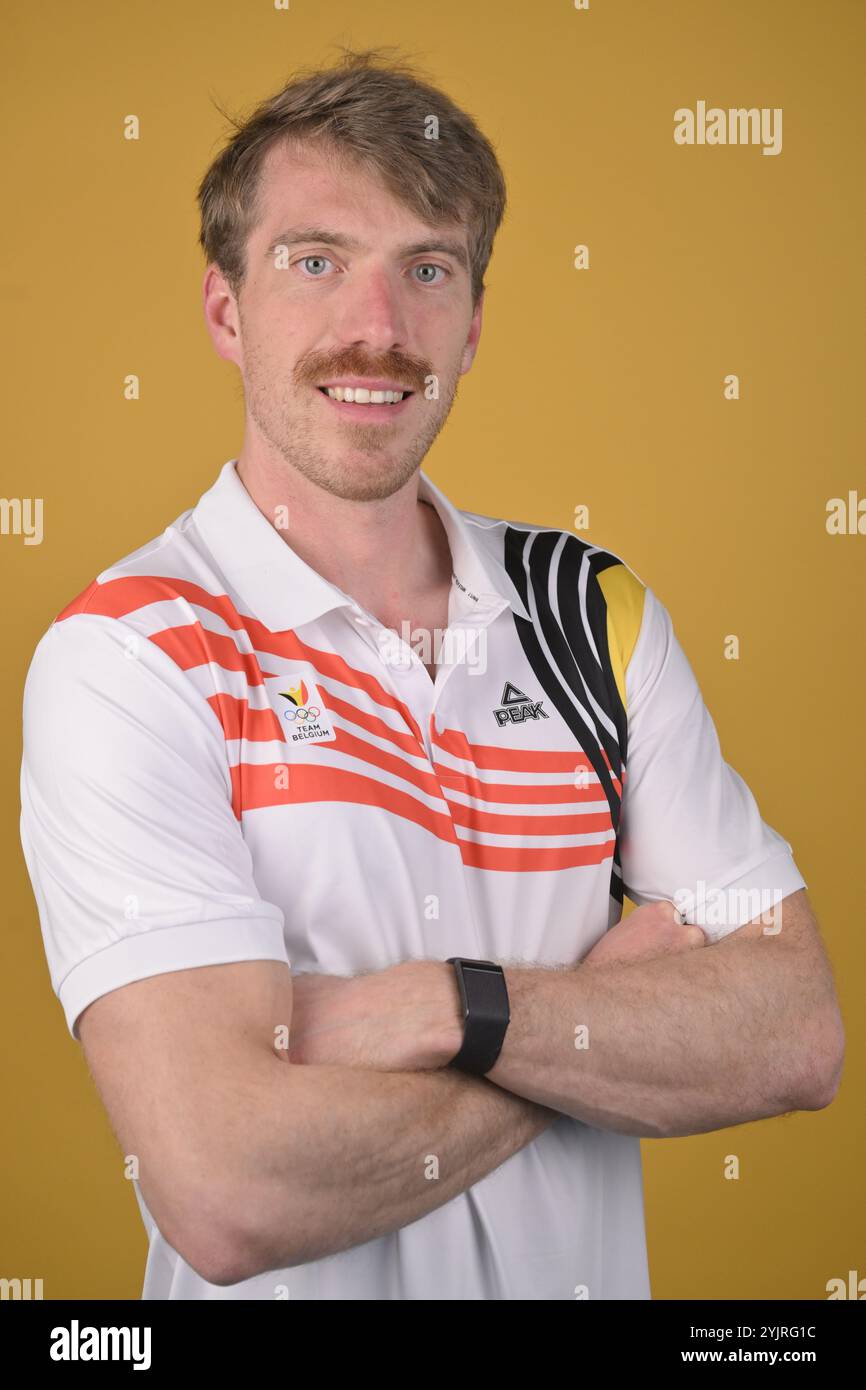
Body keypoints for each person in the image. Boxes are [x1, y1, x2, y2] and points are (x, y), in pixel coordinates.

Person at [19, 47, 843, 1301]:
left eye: (427, 269)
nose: (378, 328)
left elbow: (792, 1030)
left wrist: (448, 1007)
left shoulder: (587, 610)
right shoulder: (132, 654)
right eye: (315, 261)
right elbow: (228, 1192)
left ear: (472, 319)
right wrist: (579, 1031)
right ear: (225, 311)